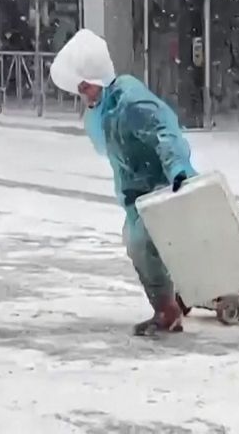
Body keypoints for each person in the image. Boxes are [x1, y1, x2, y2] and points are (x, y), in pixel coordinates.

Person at [50, 29, 197, 336]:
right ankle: (174, 298)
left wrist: (178, 170)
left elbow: (165, 133)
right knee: (143, 245)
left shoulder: (129, 102)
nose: (84, 94)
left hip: (163, 187)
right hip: (138, 192)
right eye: (80, 88)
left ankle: (168, 309)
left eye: (86, 86)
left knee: (140, 243)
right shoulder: (105, 106)